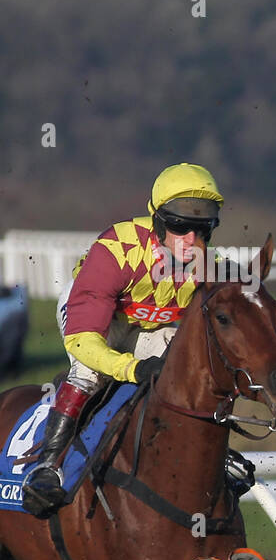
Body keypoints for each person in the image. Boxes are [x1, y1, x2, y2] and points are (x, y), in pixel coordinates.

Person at [21, 162, 224, 517]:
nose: (190, 241)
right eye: (179, 226)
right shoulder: (116, 248)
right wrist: (130, 368)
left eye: (200, 229)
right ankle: (47, 467)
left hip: (151, 325)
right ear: (158, 220)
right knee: (88, 371)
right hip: (101, 319)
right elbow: (83, 340)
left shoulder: (210, 267)